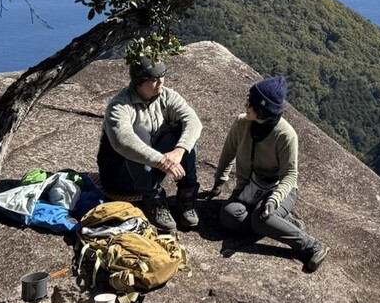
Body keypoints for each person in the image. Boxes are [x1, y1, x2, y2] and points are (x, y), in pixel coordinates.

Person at [212, 76, 329, 271]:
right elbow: (228, 152)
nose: (246, 104)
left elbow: (290, 176)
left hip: (280, 191)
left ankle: (311, 245)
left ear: (263, 110)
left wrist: (274, 200)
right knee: (228, 217)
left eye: (251, 102)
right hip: (249, 188)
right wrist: (219, 181)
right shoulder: (242, 123)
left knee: (260, 219)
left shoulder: (286, 135)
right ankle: (281, 223)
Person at [98, 56, 203, 233]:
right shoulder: (120, 105)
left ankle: (186, 194)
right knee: (138, 132)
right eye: (154, 79)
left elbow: (193, 121)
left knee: (183, 133)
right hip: (121, 175)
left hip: (151, 168)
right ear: (138, 82)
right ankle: (153, 200)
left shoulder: (167, 95)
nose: (160, 82)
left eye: (162, 76)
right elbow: (124, 141)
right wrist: (162, 160)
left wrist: (179, 150)